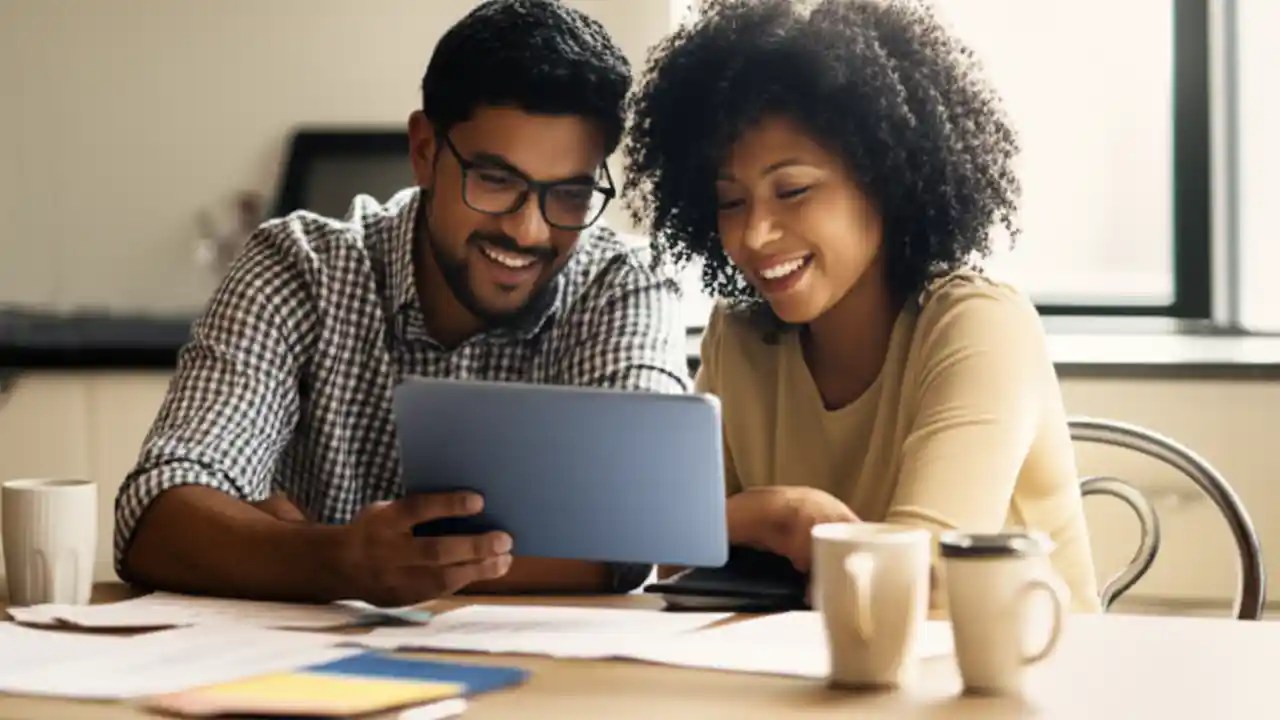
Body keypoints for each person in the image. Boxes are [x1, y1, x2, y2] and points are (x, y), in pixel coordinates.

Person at [116, 0, 690, 606]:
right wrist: (342, 560)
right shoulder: (299, 269)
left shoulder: (624, 284)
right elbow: (155, 516)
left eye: (569, 194)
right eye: (494, 181)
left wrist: (300, 548)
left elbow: (636, 528)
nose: (528, 232)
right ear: (424, 151)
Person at [625, 0, 1099, 611]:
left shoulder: (978, 326)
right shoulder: (739, 337)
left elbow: (919, 577)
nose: (754, 235)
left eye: (792, 191)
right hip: (817, 683)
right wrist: (777, 515)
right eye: (730, 202)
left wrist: (772, 522)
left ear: (885, 178)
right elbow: (685, 565)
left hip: (1010, 686)